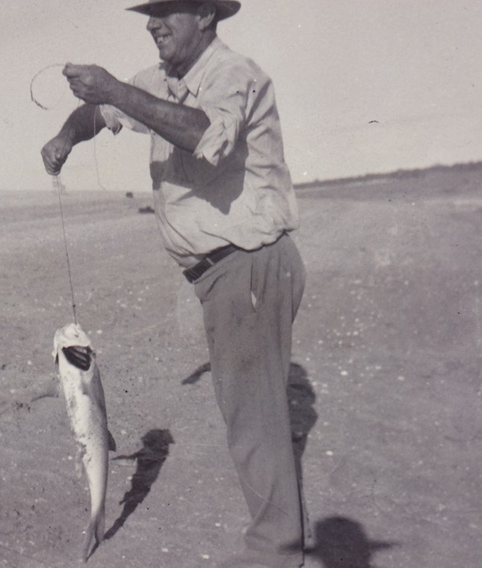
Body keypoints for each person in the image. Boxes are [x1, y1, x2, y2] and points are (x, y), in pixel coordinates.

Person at [40, 2, 309, 567]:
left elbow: (204, 134)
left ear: (208, 14)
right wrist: (68, 135)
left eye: (167, 11)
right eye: (150, 12)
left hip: (249, 264)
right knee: (250, 417)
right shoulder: (161, 81)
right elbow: (103, 111)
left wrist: (113, 87)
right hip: (225, 274)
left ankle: (274, 557)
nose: (152, 23)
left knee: (254, 423)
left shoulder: (233, 75)